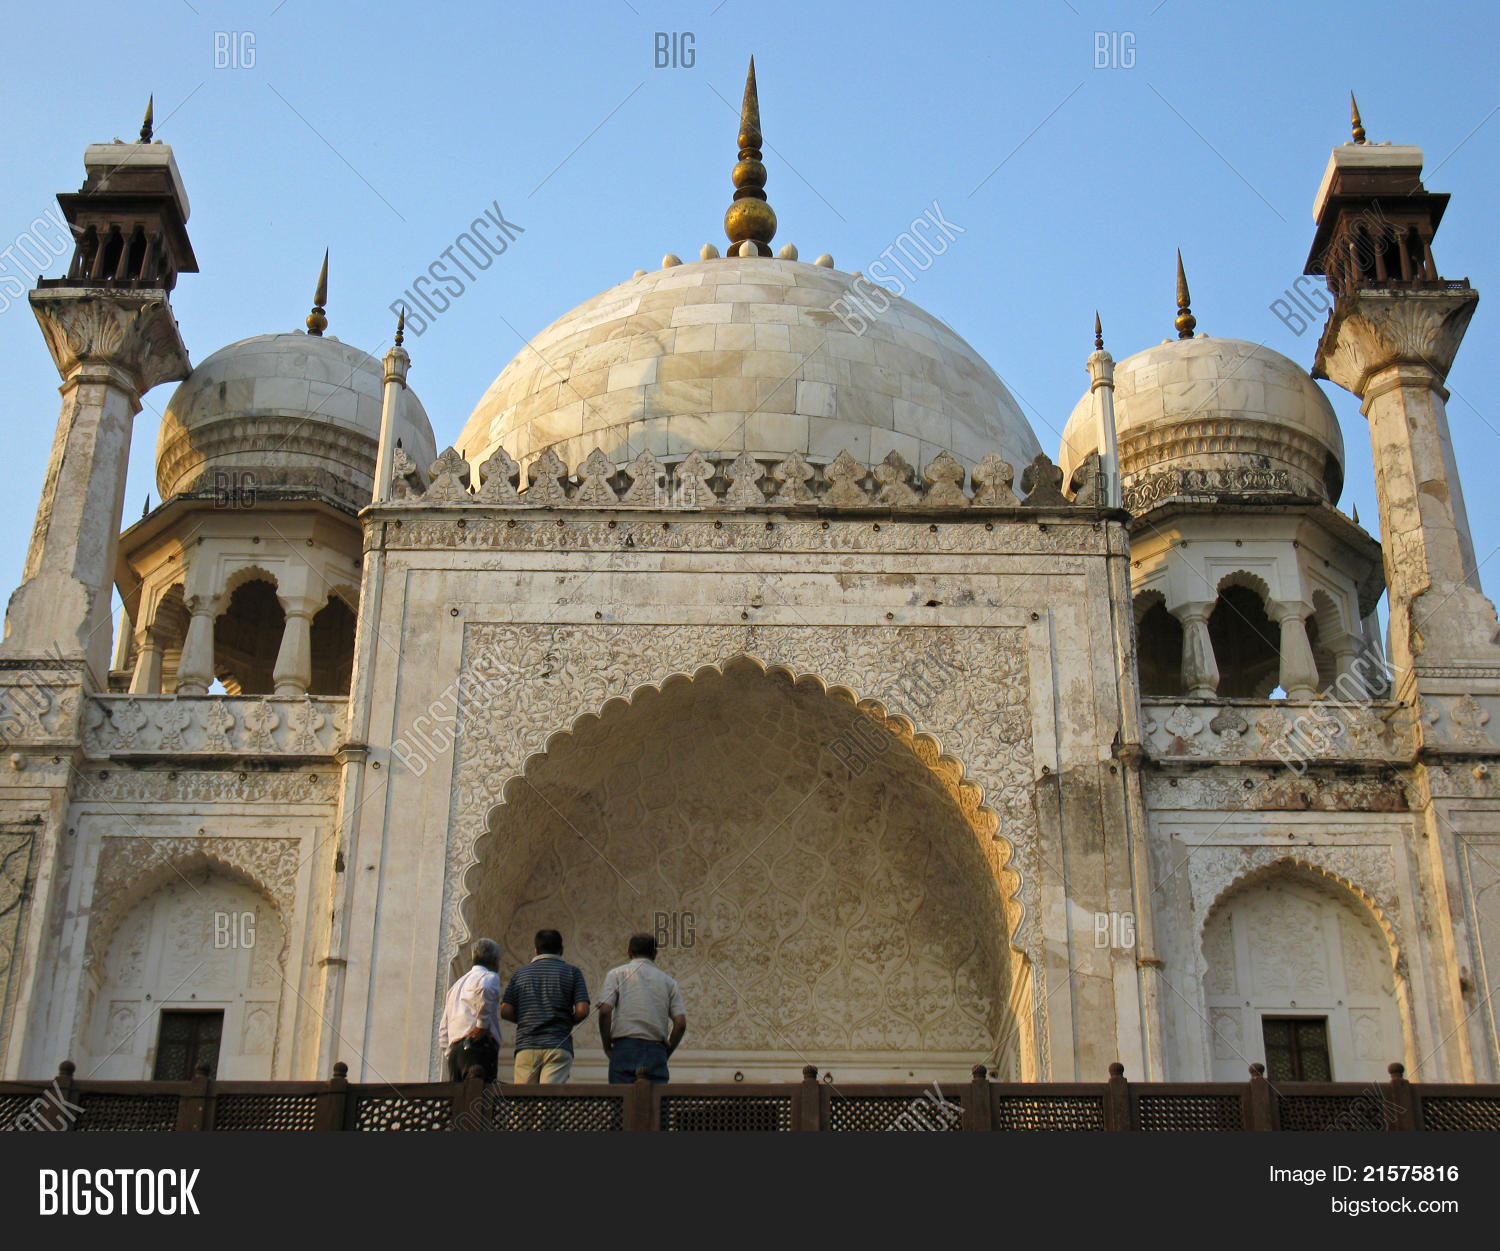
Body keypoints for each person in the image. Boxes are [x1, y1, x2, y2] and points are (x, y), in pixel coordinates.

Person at [500, 928, 590, 1083]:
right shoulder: (572, 973)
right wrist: (565, 1022)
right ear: (561, 950)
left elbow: (505, 1010)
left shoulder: (520, 974)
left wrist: (527, 1020)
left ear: (536, 950)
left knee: (524, 1097)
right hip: (558, 1044)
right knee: (549, 1096)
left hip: (527, 1046)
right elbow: (583, 1010)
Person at [596, 932, 686, 1084]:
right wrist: (666, 1052)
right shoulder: (669, 982)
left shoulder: (616, 974)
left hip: (624, 1048)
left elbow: (605, 1011)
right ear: (655, 954)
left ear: (629, 951)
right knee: (655, 1098)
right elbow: (681, 1023)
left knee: (622, 1098)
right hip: (656, 1049)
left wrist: (607, 1047)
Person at [438, 937, 503, 1082]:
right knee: (480, 1093)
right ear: (495, 961)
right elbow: (486, 988)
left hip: (455, 1055)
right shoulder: (489, 977)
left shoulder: (456, 986)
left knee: (461, 1094)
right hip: (478, 1049)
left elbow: (443, 1030)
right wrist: (482, 1025)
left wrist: (453, 1052)